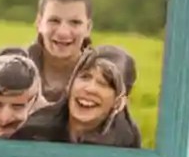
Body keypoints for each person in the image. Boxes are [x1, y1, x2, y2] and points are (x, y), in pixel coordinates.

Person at [12, 45, 141, 147]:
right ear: (70, 83)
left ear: (119, 102)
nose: (89, 89)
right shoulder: (34, 131)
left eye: (104, 84)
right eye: (85, 77)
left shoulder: (127, 141)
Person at [27, 0, 94, 103]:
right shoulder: (13, 69)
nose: (63, 32)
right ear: (39, 23)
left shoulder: (104, 80)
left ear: (88, 28)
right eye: (54, 21)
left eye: (75, 22)